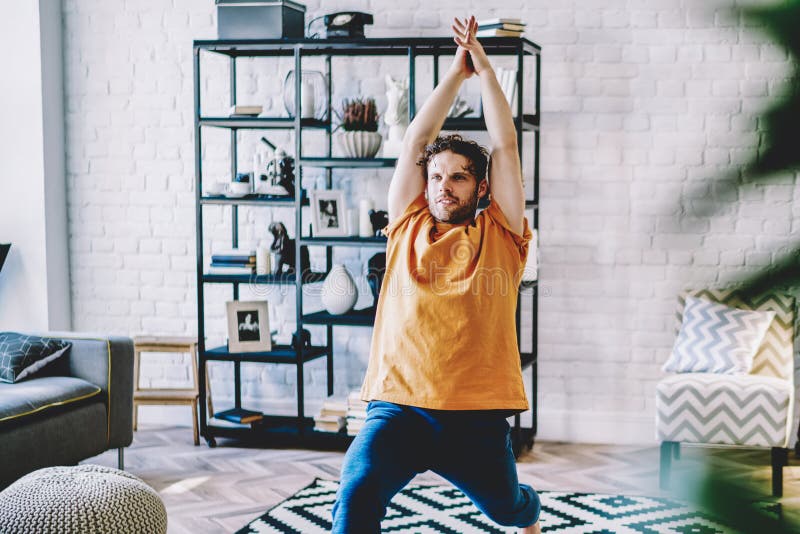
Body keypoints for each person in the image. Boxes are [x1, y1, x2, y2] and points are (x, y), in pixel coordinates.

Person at [331, 15, 541, 534]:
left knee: (507, 507)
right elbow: (414, 141)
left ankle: (529, 514)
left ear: (481, 188)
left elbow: (506, 147)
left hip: (475, 415)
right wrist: (454, 73)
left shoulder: (501, 234)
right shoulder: (407, 224)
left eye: (459, 177)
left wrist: (483, 69)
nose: (445, 186)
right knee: (355, 499)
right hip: (398, 407)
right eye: (437, 176)